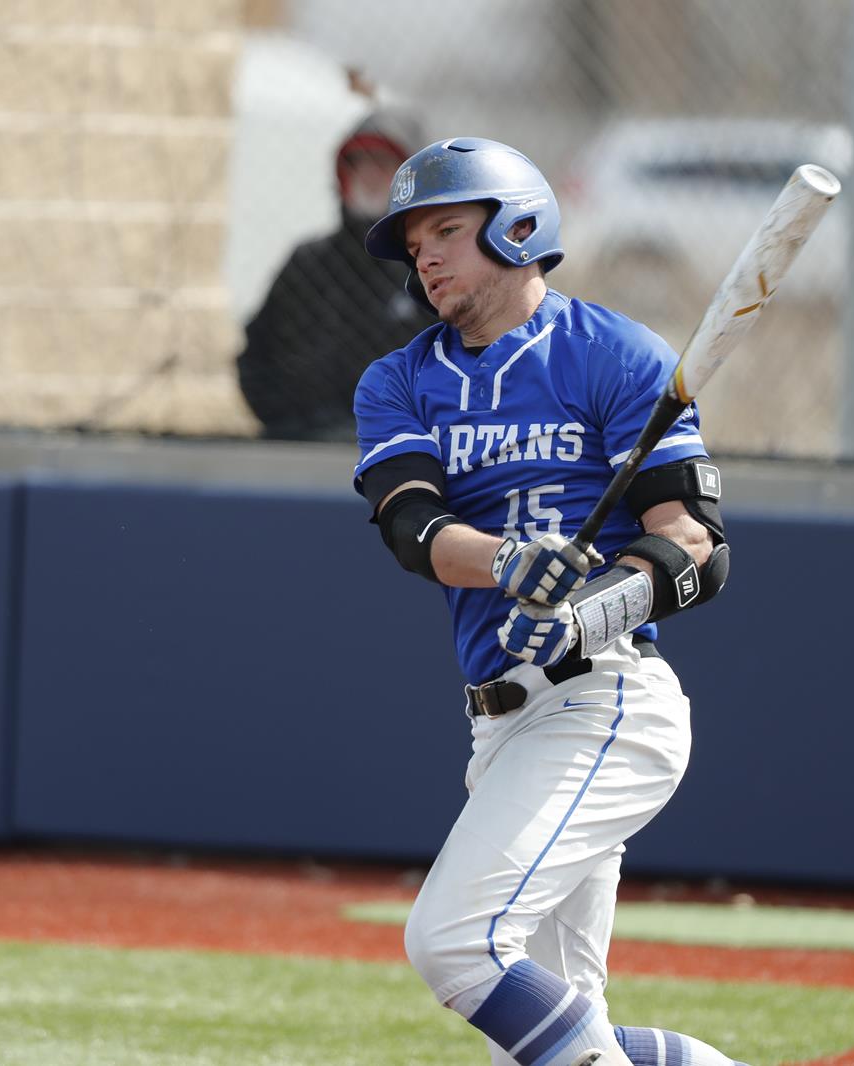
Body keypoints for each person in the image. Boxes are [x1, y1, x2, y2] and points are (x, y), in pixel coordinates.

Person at [351, 138, 743, 1066]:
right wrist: (511, 562)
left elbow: (697, 545)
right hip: (500, 727)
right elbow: (415, 530)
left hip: (606, 702)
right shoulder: (399, 380)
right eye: (416, 244)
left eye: (448, 231)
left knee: (452, 942)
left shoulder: (615, 354)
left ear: (518, 227)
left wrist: (588, 608)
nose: (427, 257)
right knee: (548, 1036)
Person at [237, 112, 434, 441]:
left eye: (384, 165)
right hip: (302, 438)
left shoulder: (430, 268)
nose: (370, 176)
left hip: (400, 445)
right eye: (360, 164)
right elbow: (255, 354)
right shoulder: (308, 263)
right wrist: (288, 422)